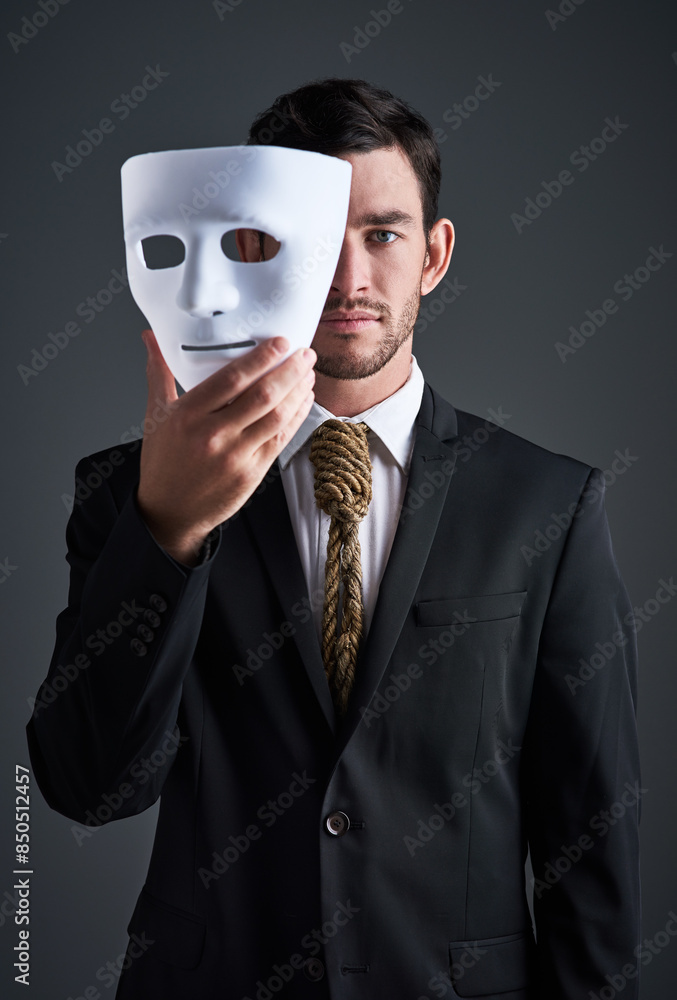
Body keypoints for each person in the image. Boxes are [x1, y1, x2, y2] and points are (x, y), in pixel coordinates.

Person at [27, 78, 640, 1000]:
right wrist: (172, 529)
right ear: (243, 251)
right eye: (307, 242)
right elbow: (90, 787)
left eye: (383, 234)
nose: (349, 279)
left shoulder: (545, 504)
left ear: (434, 256)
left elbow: (590, 847)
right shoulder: (129, 492)